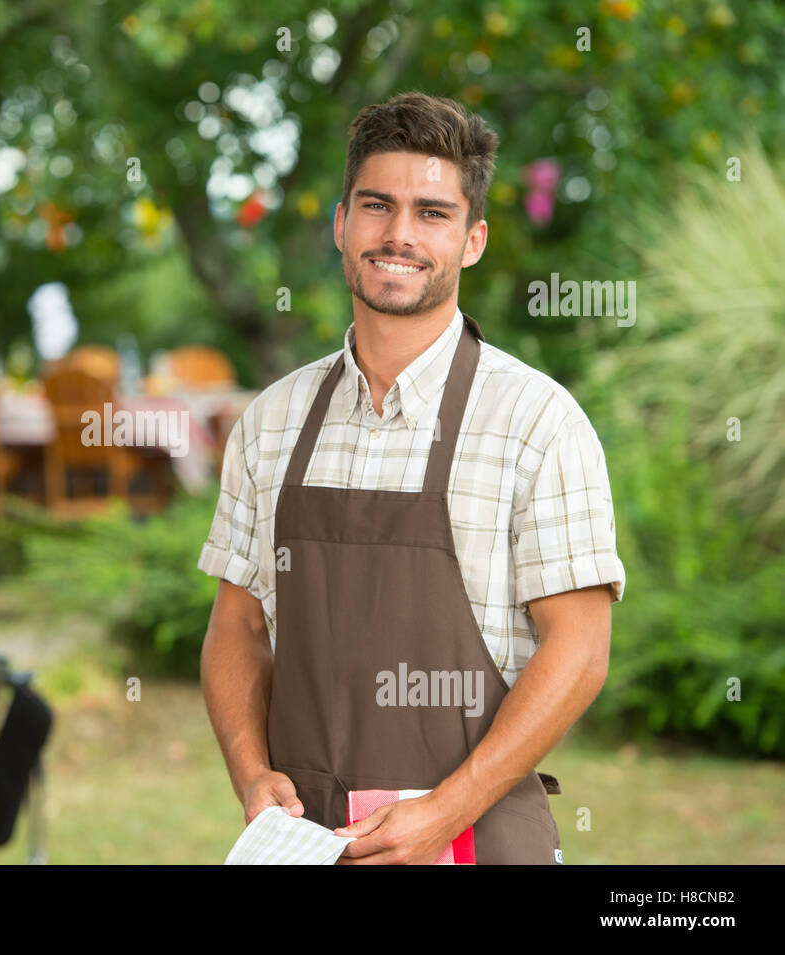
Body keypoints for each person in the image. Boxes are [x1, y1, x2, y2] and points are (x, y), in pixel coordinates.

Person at [198, 92, 625, 864]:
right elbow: (237, 625)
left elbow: (581, 649)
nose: (399, 234)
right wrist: (251, 774)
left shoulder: (537, 422)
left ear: (473, 239)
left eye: (432, 212)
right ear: (340, 223)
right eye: (376, 205)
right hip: (310, 843)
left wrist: (444, 812)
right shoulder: (272, 421)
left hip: (476, 842)